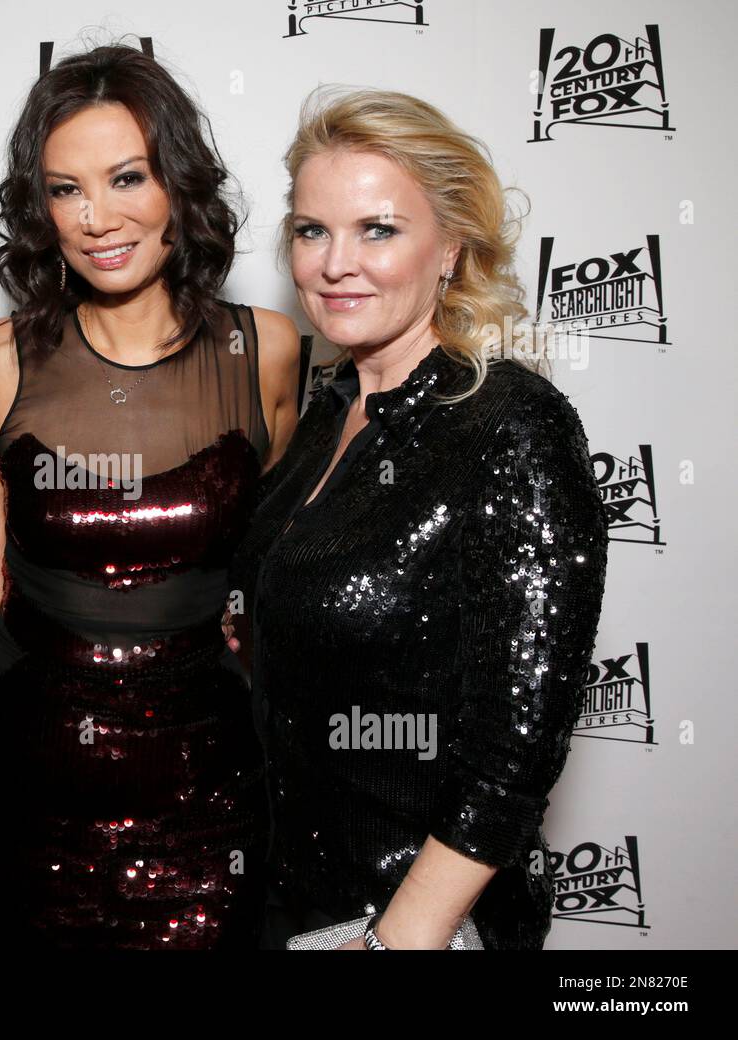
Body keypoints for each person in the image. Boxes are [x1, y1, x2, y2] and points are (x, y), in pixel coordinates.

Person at [231, 88, 609, 950]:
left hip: (415, 921)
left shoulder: (509, 425)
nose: (335, 263)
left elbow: (516, 744)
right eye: (312, 230)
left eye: (379, 230)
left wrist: (400, 940)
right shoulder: (329, 410)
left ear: (450, 250)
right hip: (295, 899)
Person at [0, 44, 300, 949]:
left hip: (209, 798)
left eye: (125, 178)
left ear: (176, 188)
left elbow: (282, 581)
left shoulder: (264, 351)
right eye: (66, 190)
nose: (97, 217)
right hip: (27, 791)